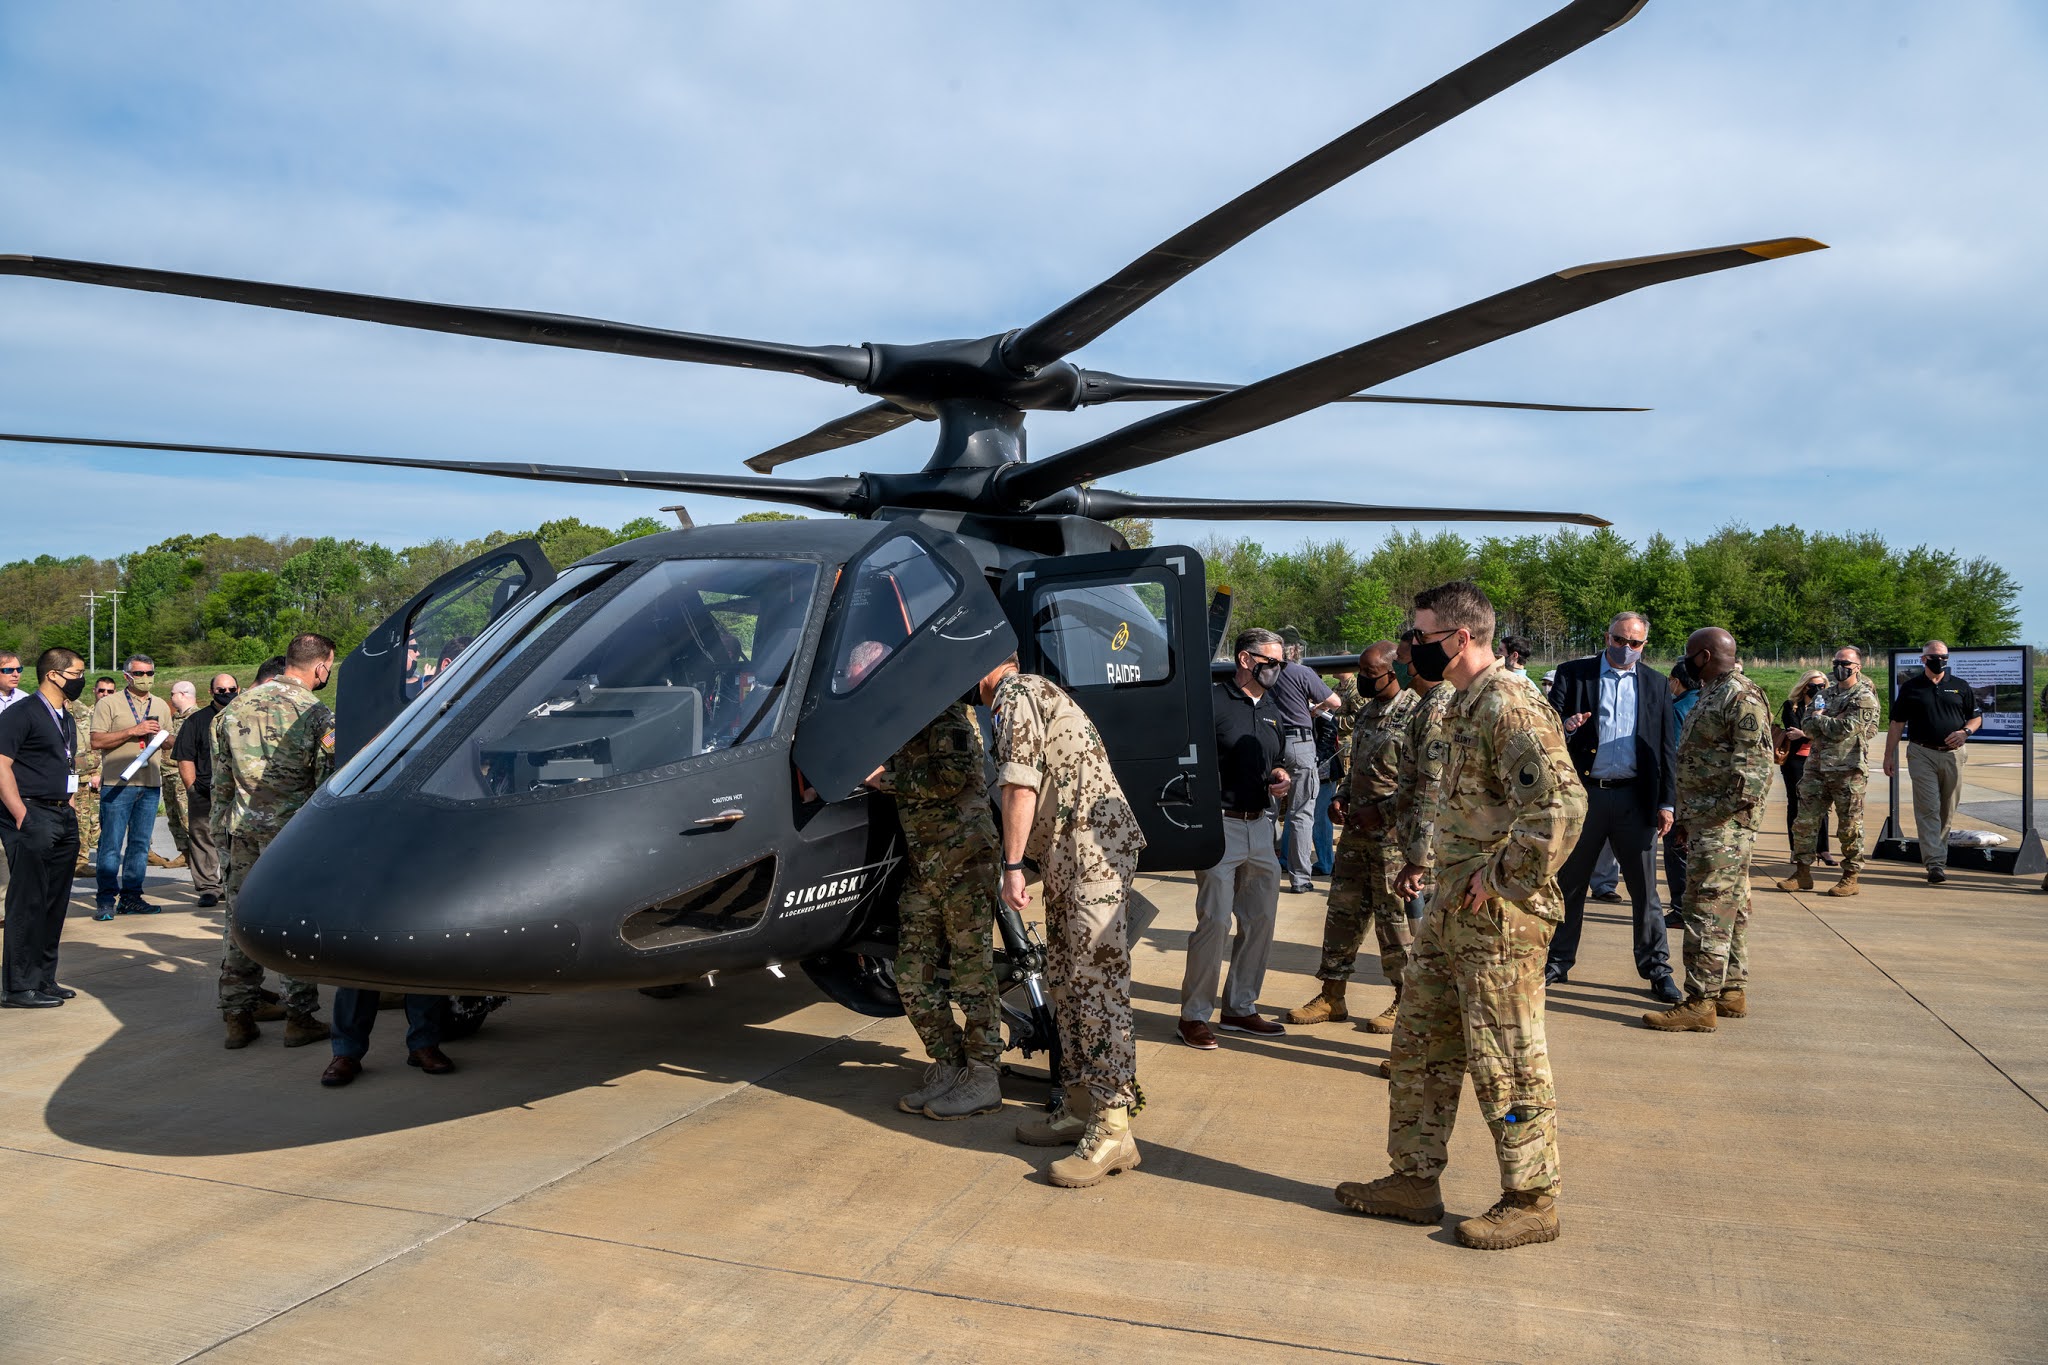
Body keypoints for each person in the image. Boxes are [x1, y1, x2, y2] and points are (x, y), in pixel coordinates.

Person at [1337, 581, 1585, 1251]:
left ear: (1461, 636)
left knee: (1505, 1061)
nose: (1411, 644)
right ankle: (1413, 1178)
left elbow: (1562, 808)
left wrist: (1502, 875)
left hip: (1500, 921)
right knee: (1419, 1046)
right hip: (1450, 913)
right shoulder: (1458, 704)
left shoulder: (1508, 704)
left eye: (1420, 634)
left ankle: (1532, 1196)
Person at [982, 654, 1146, 1188]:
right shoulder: (1031, 692)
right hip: (1070, 856)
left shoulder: (1013, 694)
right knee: (1068, 982)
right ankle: (1079, 1105)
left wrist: (1011, 865)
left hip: (1090, 857)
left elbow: (1019, 785)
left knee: (1097, 990)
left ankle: (1115, 1127)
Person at [861, 672, 1004, 1120]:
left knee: (970, 973)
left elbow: (953, 777)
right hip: (926, 863)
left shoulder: (946, 715)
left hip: (965, 859)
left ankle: (983, 1078)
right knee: (909, 972)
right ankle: (949, 1064)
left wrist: (887, 779)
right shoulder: (898, 723)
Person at [1543, 613, 1680, 1001]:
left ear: (1644, 645)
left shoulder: (1655, 683)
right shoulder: (1574, 674)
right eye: (1619, 640)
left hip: (1635, 800)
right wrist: (1566, 728)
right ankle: (1558, 961)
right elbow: (1545, 730)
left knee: (1646, 893)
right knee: (1569, 884)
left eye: (1634, 643)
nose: (1626, 649)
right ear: (1607, 637)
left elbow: (1666, 748)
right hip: (1585, 796)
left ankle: (1657, 969)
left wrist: (1667, 802)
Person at [1646, 628, 1773, 1032]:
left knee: (1705, 909)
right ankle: (1731, 990)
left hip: (1724, 827)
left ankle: (1700, 1002)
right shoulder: (1714, 692)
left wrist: (1712, 818)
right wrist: (1689, 819)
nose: (1684, 661)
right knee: (1731, 907)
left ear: (1702, 656)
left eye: (1688, 655)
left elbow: (1752, 773)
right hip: (1711, 823)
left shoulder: (1739, 695)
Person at [1285, 641, 1415, 1036]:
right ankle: (1332, 995)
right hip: (1356, 833)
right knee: (1341, 916)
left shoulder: (1416, 714)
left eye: (1369, 674)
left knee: (1395, 924)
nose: (1361, 681)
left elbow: (1421, 785)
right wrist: (1340, 798)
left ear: (1392, 672)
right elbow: (1354, 765)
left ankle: (1404, 1000)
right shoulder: (1367, 714)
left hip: (1393, 838)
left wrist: (1383, 811)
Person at [213, 635, 335, 1053]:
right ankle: (300, 1018)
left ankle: (237, 1017)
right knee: (292, 924)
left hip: (240, 832)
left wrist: (220, 836)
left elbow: (221, 783)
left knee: (239, 922)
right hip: (289, 835)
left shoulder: (233, 709)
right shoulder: (316, 713)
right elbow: (326, 778)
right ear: (320, 667)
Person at [1180, 629, 1293, 1049]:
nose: (1278, 669)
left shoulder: (1272, 707)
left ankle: (1240, 1007)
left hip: (1261, 825)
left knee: (1261, 919)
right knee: (1214, 921)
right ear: (1246, 660)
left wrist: (1279, 776)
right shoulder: (1210, 701)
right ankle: (1193, 1015)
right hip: (1219, 826)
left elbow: (1274, 759)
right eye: (1272, 661)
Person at [0, 649, 89, 1007]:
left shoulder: (64, 717)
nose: (82, 679)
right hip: (32, 815)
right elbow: (2, 766)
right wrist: (21, 813)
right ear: (54, 675)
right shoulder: (20, 714)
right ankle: (19, 986)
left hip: (61, 814)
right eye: (77, 672)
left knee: (54, 902)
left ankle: (44, 978)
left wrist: (68, 808)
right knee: (28, 902)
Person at [1776, 647, 1881, 897]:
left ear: (1858, 667)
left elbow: (1849, 728)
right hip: (1816, 768)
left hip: (1848, 770)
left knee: (1849, 826)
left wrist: (1821, 719)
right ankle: (1802, 873)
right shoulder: (1826, 693)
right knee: (1804, 822)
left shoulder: (1864, 696)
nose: (1839, 666)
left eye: (1845, 662)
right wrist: (1824, 720)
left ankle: (1850, 876)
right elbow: (1807, 727)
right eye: (1835, 662)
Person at [1884, 641, 1981, 885]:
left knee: (1947, 809)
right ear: (1923, 659)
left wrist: (1965, 732)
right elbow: (1897, 723)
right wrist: (1888, 755)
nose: (1939, 660)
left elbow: (1976, 717)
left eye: (1943, 656)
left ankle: (1938, 853)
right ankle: (1935, 863)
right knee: (1928, 807)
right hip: (1921, 752)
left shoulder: (1960, 686)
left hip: (1953, 755)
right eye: (1934, 656)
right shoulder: (1911, 687)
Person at [88, 653, 176, 921]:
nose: (145, 678)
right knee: (111, 844)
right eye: (139, 674)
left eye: (150, 673)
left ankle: (132, 897)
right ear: (127, 676)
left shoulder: (160, 704)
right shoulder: (109, 704)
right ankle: (105, 899)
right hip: (118, 783)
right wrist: (132, 731)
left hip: (150, 784)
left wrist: (161, 737)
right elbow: (96, 741)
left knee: (139, 845)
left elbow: (171, 742)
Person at [1265, 647, 1342, 894]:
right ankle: (1299, 879)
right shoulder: (1302, 672)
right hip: (1299, 743)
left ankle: (1264, 873)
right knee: (1301, 814)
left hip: (1268, 740)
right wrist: (1314, 709)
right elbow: (1335, 702)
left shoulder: (1263, 674)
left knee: (1268, 813)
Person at [172, 673, 237, 909]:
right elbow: (184, 757)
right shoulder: (196, 720)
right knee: (202, 839)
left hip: (237, 792)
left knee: (236, 840)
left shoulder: (243, 716)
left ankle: (232, 886)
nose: (226, 693)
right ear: (211, 692)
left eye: (231, 689)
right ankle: (209, 888)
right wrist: (192, 788)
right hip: (205, 791)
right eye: (221, 690)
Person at [1778, 672, 1834, 870]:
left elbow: (1831, 731)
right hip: (1795, 761)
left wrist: (1807, 732)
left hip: (1821, 758)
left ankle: (1823, 848)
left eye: (1821, 685)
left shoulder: (1830, 704)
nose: (1817, 689)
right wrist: (1812, 732)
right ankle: (1796, 848)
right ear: (1804, 686)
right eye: (1813, 685)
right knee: (1796, 803)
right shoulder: (1791, 705)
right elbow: (1794, 732)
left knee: (1823, 804)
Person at [153, 679, 199, 870]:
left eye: (172, 694)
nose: (170, 698)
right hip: (167, 773)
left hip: (183, 774)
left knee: (187, 817)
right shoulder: (174, 719)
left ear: (182, 694)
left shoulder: (196, 718)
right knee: (173, 818)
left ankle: (198, 855)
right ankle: (185, 853)